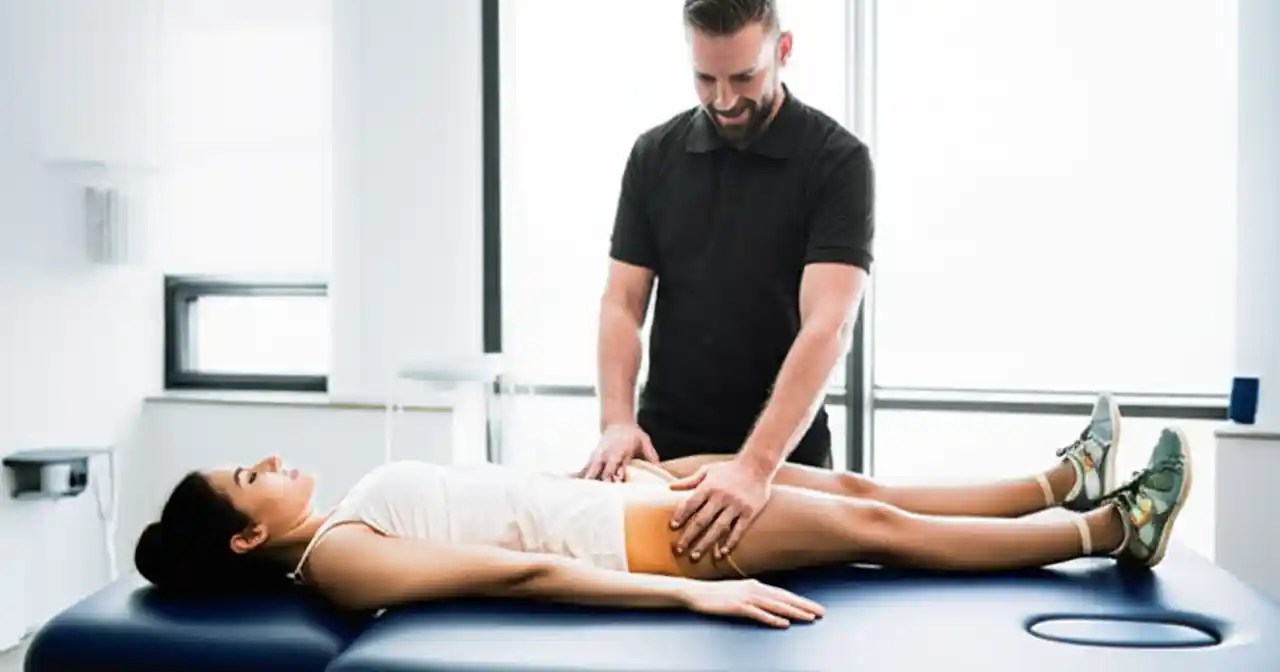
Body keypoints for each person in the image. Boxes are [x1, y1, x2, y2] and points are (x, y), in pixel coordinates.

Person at [135, 395, 1192, 629]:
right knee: (875, 534)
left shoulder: (343, 518)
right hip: (658, 541)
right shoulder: (336, 562)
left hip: (623, 498)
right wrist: (694, 601)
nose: (269, 461)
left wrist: (615, 462)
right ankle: (1107, 531)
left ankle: (1059, 482)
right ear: (247, 535)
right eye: (247, 476)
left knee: (853, 487)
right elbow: (517, 573)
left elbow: (497, 513)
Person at [582, 0, 873, 564]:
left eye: (745, 76)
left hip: (781, 461)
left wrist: (754, 467)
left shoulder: (837, 161)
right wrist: (616, 420)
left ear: (783, 49)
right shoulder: (653, 155)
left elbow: (829, 326)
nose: (724, 99)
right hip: (669, 458)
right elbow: (622, 302)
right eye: (705, 78)